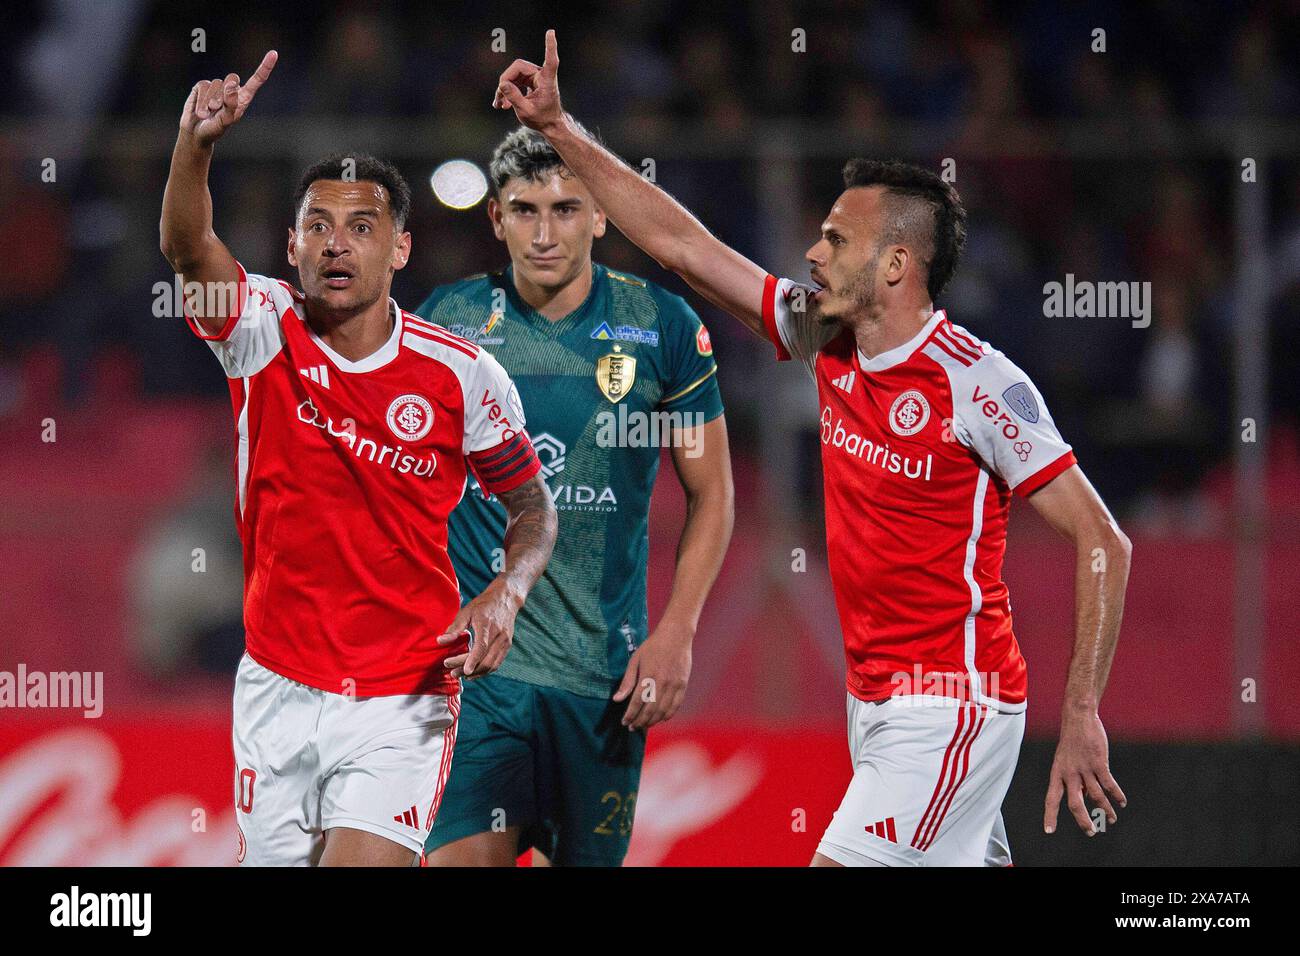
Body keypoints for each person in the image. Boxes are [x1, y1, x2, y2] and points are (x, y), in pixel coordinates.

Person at [492, 31, 1132, 866]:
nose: (811, 253)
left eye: (835, 240)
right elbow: (686, 249)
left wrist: (1081, 711)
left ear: (897, 265)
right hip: (873, 706)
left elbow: (1102, 540)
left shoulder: (979, 385)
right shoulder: (826, 337)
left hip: (949, 707)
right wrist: (561, 130)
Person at [159, 52, 557, 866]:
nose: (337, 245)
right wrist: (194, 144)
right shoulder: (259, 330)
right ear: (293, 245)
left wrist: (506, 595)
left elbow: (532, 509)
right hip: (275, 686)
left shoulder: (461, 376)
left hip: (401, 699)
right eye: (318, 227)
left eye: (362, 227)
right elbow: (185, 247)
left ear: (401, 250)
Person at [416, 125, 734, 866]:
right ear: (495, 218)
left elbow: (712, 493)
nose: (545, 232)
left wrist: (677, 632)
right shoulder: (449, 323)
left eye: (566, 209)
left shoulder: (662, 328)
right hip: (478, 676)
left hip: (602, 677)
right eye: (524, 210)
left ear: (601, 215)